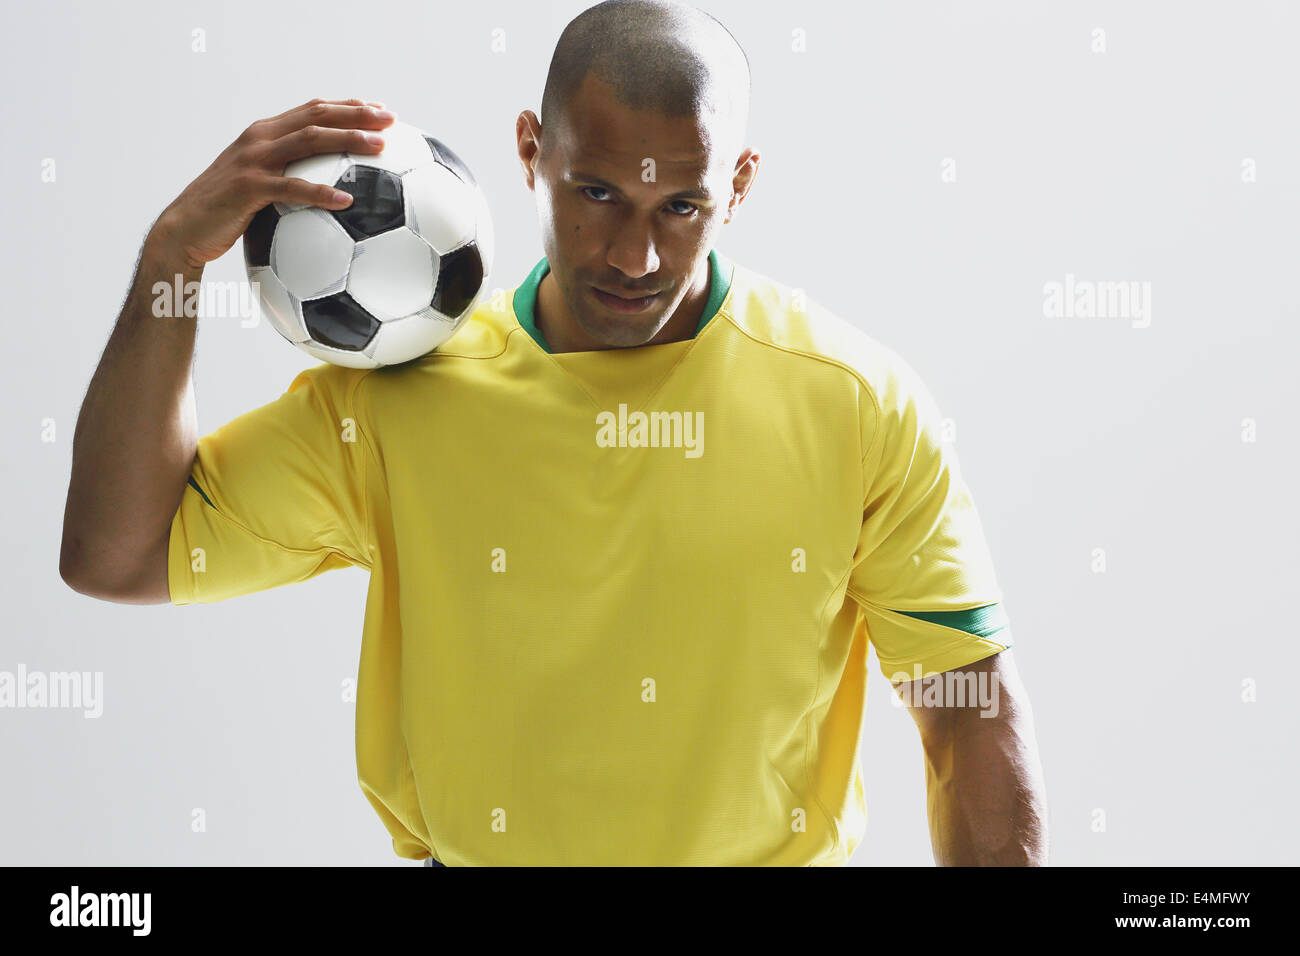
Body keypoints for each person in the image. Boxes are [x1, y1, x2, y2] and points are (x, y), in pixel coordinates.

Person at [60, 0, 1047, 866]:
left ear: (738, 185)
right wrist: (173, 256)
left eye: (683, 206)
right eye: (597, 192)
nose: (635, 253)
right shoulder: (401, 393)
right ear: (532, 150)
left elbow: (969, 711)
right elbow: (119, 552)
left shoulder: (857, 402)